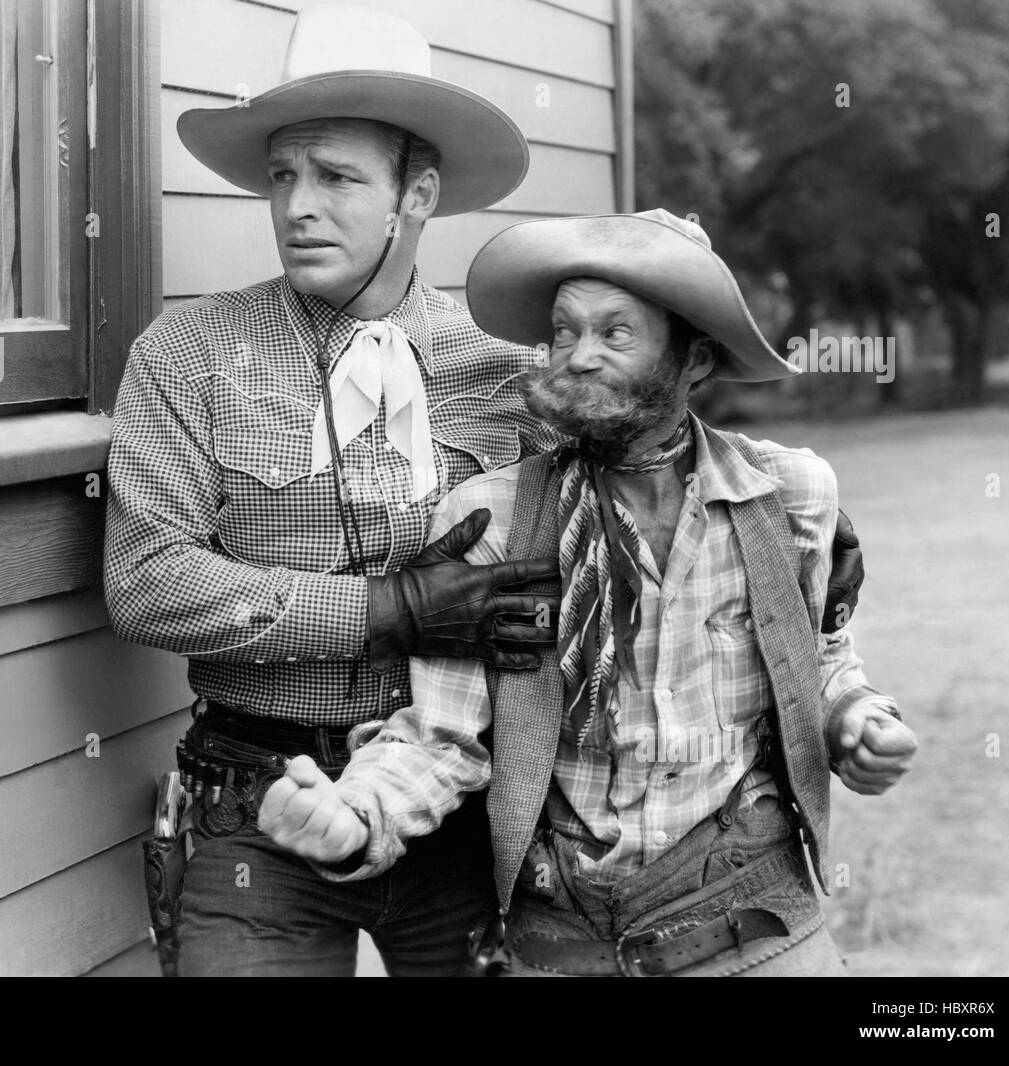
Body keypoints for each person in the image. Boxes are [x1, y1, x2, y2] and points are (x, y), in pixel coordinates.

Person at [259, 210, 916, 977]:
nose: (579, 356)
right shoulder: (494, 516)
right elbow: (441, 738)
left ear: (694, 357)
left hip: (753, 911)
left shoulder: (792, 493)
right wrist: (356, 814)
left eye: (616, 334)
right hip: (565, 930)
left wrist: (857, 721)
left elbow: (821, 661)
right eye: (564, 332)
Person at [104, 7, 565, 977]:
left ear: (418, 193)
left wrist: (789, 520)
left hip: (460, 807)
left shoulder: (507, 371)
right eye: (282, 175)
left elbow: (626, 491)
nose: (296, 206)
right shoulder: (188, 354)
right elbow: (146, 578)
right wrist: (379, 608)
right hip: (255, 797)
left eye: (337, 176)